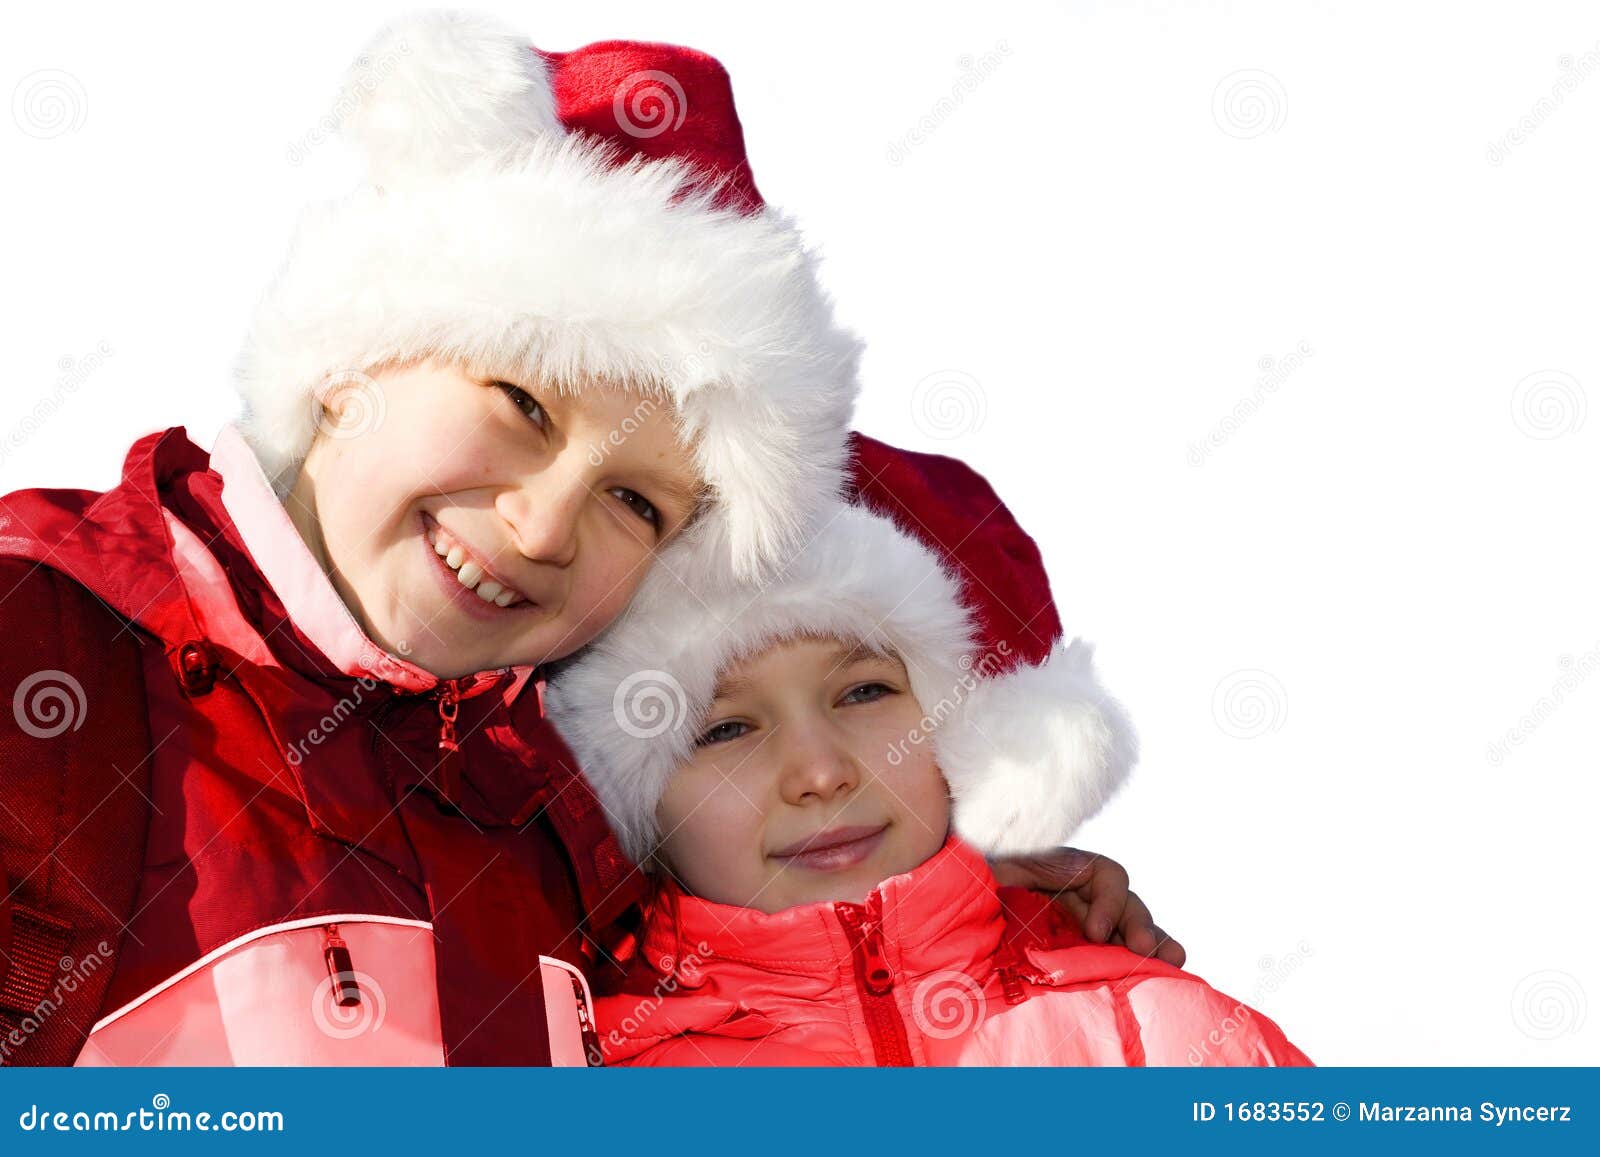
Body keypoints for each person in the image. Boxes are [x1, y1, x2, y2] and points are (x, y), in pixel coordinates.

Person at [0, 11, 1163, 1067]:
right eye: (522, 403)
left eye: (636, 504)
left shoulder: (553, 813)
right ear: (350, 363)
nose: (546, 522)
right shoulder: (47, 645)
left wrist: (975, 915)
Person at [547, 435, 1310, 1066]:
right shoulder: (590, 1078)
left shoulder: (1162, 1040)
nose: (821, 772)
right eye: (723, 729)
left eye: (866, 692)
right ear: (635, 807)